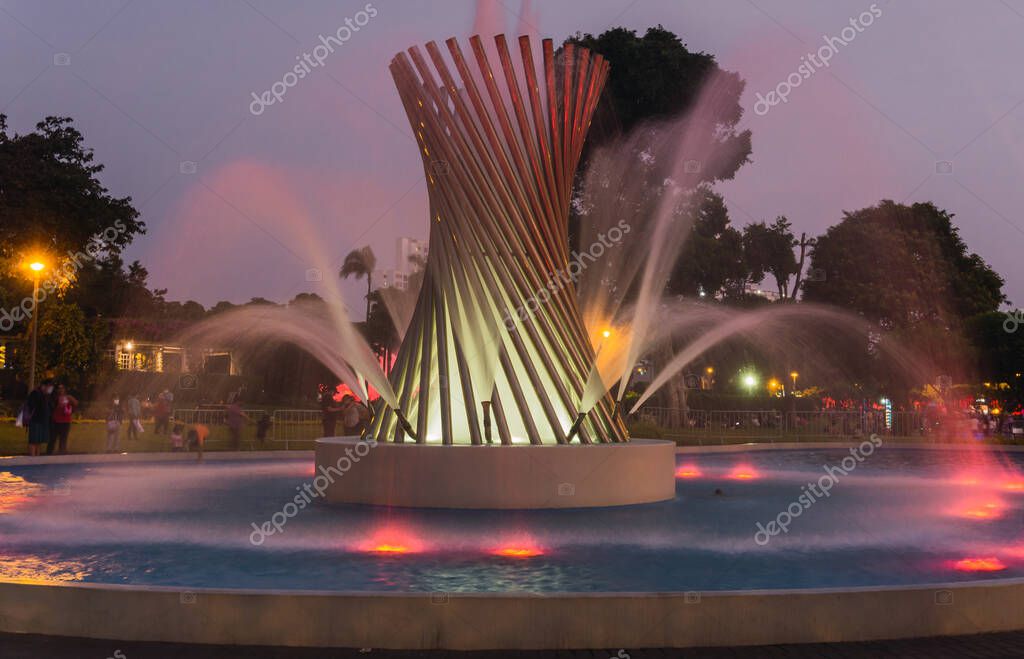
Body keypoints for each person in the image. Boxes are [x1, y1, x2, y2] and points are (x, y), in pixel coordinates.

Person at [25, 379, 55, 457]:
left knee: (39, 441)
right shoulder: (36, 393)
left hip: (42, 421)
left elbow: (50, 407)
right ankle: (32, 457)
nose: (50, 389)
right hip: (35, 420)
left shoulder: (46, 395)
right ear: (43, 386)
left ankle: (37, 456)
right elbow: (31, 405)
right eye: (49, 386)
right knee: (34, 440)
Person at [47, 384, 78, 455]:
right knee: (52, 438)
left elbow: (76, 403)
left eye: (62, 388)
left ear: (65, 389)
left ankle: (62, 452)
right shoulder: (54, 397)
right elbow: (51, 406)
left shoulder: (68, 397)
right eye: (59, 388)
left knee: (63, 439)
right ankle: (49, 453)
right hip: (56, 421)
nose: (61, 390)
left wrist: (71, 408)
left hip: (65, 421)